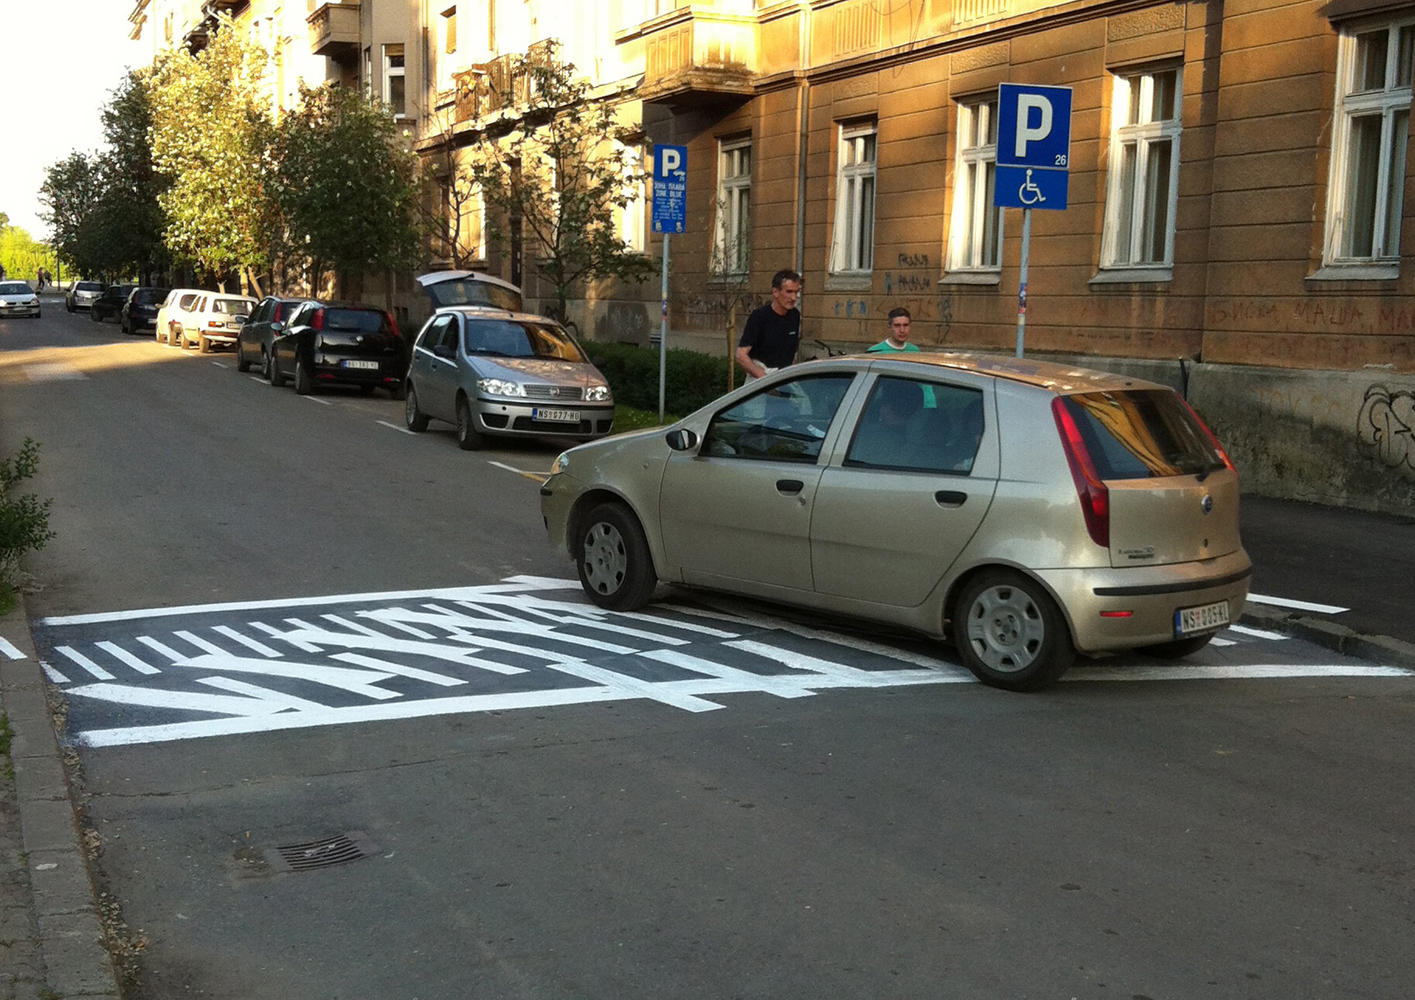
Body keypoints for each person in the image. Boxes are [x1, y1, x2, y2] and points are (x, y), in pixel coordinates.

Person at [736, 268, 802, 382]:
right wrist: (763, 377)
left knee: (803, 400)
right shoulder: (759, 317)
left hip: (785, 378)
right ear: (775, 292)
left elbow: (790, 354)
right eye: (789, 292)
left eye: (796, 292)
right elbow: (741, 355)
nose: (794, 298)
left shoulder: (795, 316)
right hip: (761, 379)